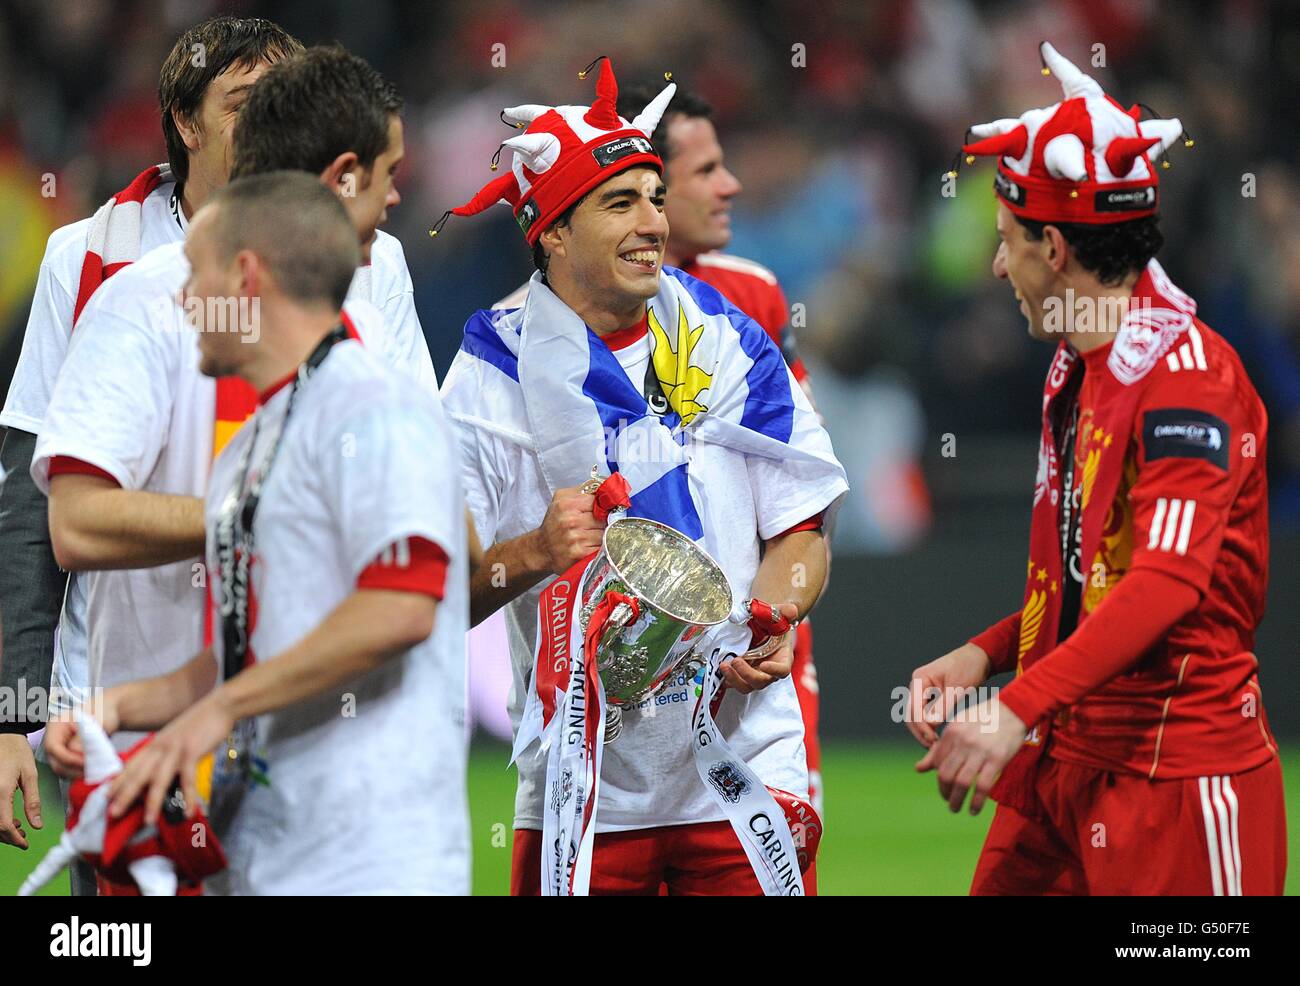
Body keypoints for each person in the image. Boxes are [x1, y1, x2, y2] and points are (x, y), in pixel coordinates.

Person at [31, 45, 439, 893]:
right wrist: (126, 708)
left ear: (246, 276)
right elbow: (258, 635)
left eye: (199, 274)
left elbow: (404, 604)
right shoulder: (260, 437)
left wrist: (213, 712)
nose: (183, 296)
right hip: (243, 819)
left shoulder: (366, 390)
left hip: (357, 836)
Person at [439, 58, 846, 895]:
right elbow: (441, 590)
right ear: (552, 232)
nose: (654, 222)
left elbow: (802, 523)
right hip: (580, 790)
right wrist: (538, 549)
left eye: (656, 197)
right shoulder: (486, 372)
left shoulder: (724, 332)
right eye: (620, 202)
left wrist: (779, 609)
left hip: (740, 766)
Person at [907, 43, 1285, 895]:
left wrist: (1014, 705)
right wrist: (986, 654)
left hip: (1179, 783)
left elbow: (1165, 584)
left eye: (1007, 241)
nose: (997, 266)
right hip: (1068, 763)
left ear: (1054, 247)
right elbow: (1094, 581)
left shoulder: (1189, 378)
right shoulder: (1078, 361)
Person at [0, 16, 302, 888]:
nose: (274, 122)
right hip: (123, 700)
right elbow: (29, 501)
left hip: (298, 698)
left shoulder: (360, 260)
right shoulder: (91, 258)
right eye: (247, 103)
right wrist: (11, 716)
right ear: (185, 120)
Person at [616, 82, 824, 821]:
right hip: (628, 679)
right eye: (705, 170)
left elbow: (795, 485)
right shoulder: (570, 319)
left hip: (755, 657)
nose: (728, 185)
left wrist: (777, 612)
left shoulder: (754, 297)